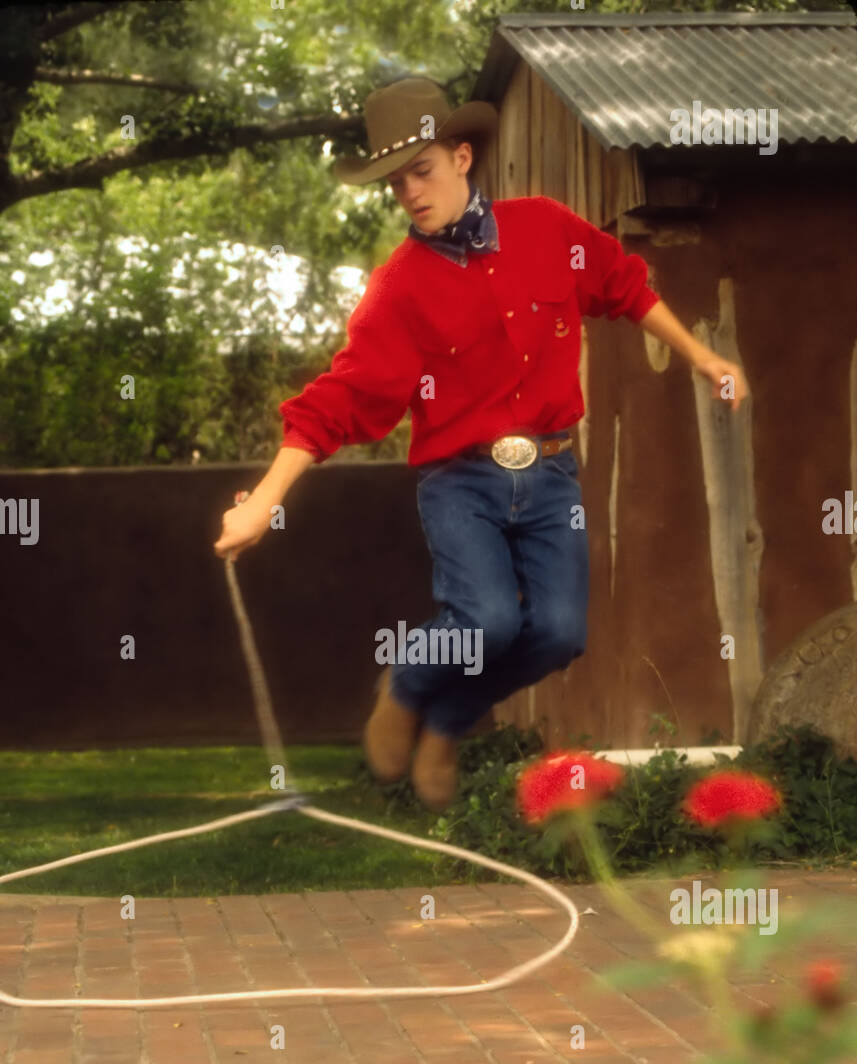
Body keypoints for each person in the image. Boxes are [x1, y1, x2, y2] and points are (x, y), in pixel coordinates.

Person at [214, 76, 748, 811]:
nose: (409, 192)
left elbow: (625, 286)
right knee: (487, 619)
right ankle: (405, 684)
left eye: (421, 171)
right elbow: (336, 402)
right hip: (458, 483)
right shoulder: (397, 290)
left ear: (461, 157)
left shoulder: (547, 229)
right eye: (395, 182)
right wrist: (260, 505)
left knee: (558, 634)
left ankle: (448, 721)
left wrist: (703, 358)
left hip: (552, 474)